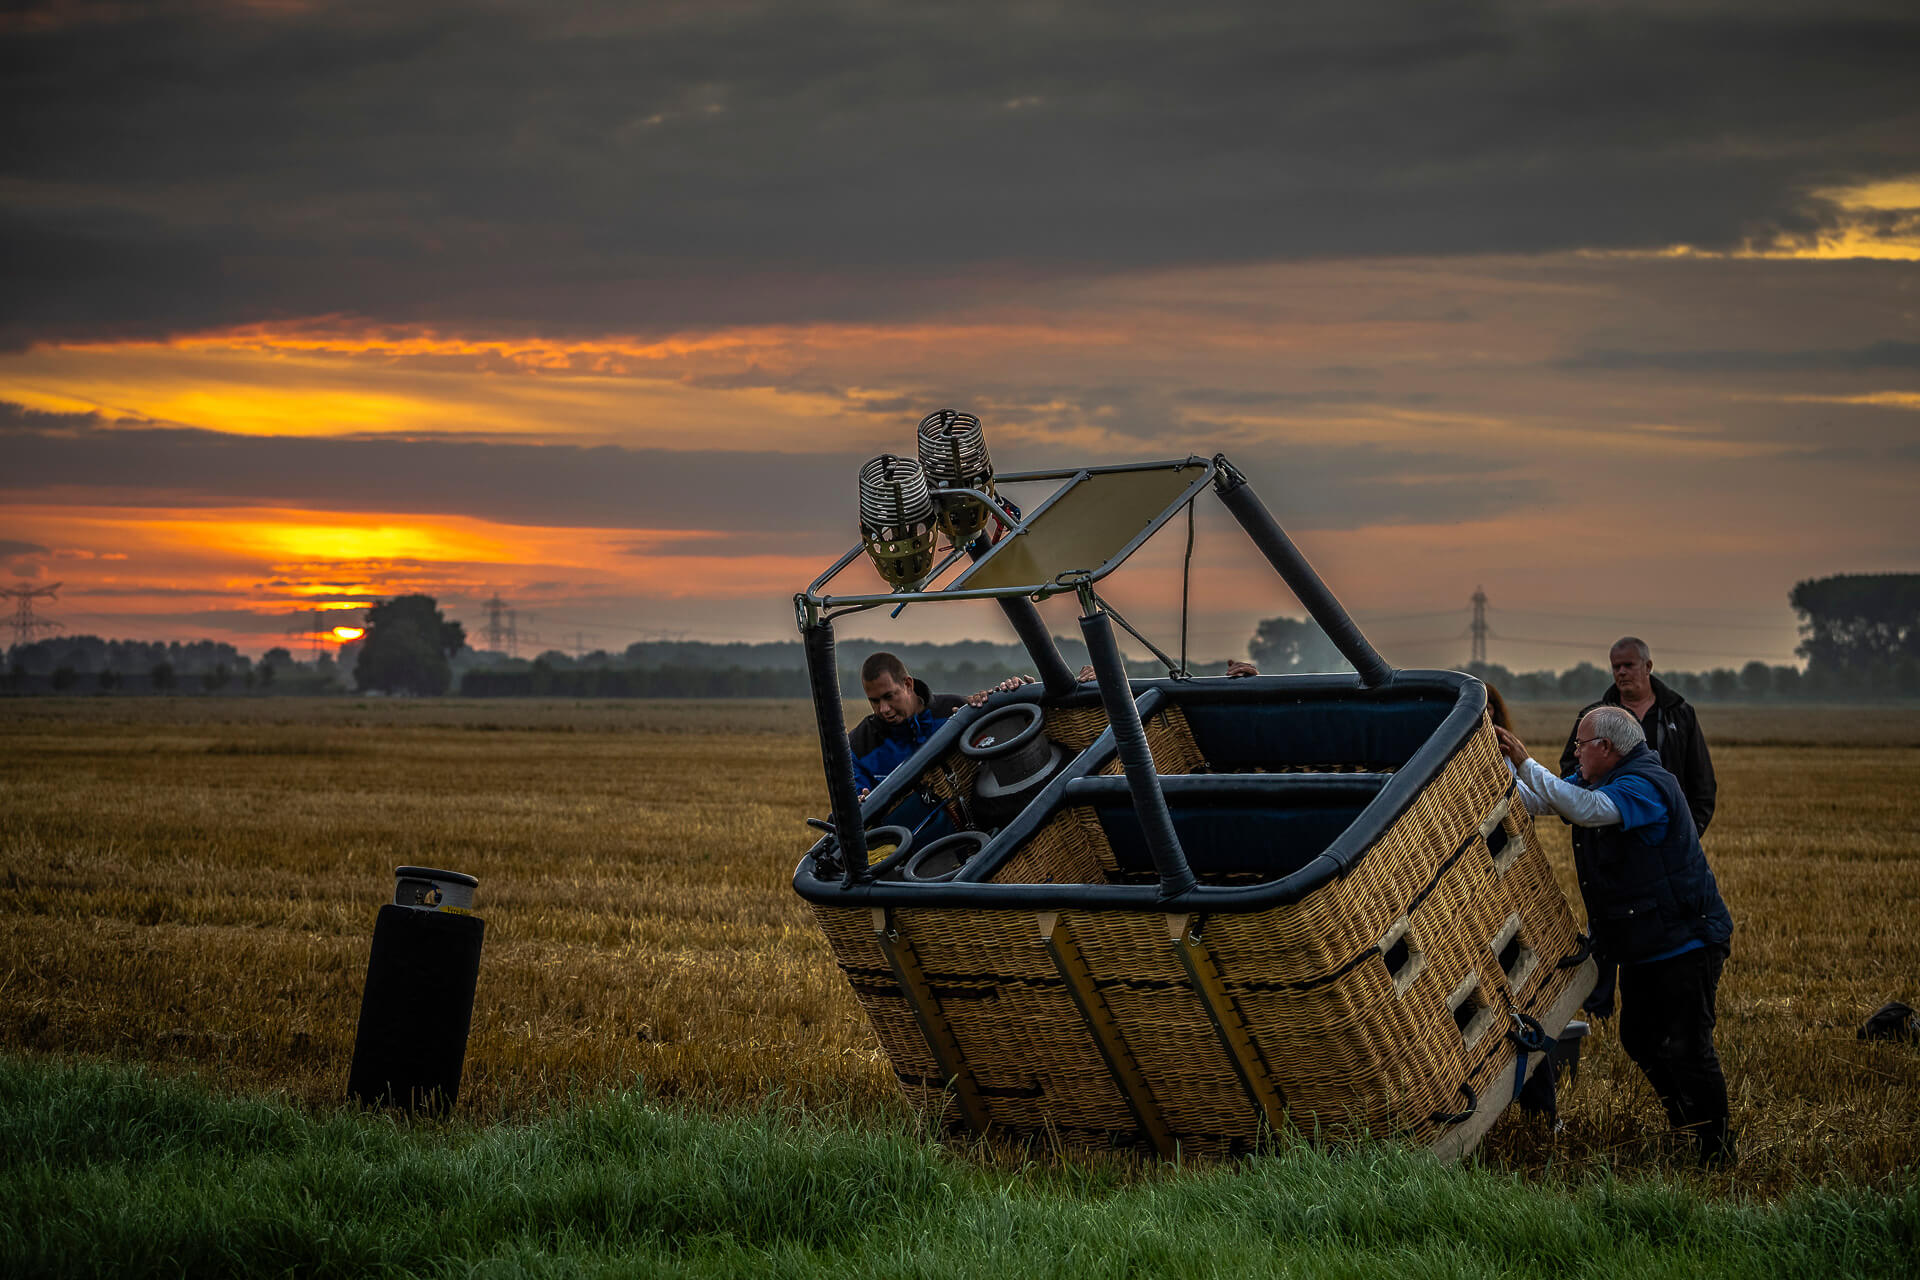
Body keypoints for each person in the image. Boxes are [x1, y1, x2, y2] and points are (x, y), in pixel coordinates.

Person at [1496, 706, 1735, 1165]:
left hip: (1686, 939)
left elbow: (1584, 810)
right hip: (1648, 943)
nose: (1575, 751)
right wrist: (1494, 777)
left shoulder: (1644, 783)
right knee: (1639, 1037)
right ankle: (1687, 1124)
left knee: (1689, 1046)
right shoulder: (1606, 778)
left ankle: (1717, 1151)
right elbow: (1548, 799)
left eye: (1581, 744)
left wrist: (1526, 762)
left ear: (1607, 748)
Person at [1560, 637, 1717, 1016]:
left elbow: (1701, 782)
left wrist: (1684, 835)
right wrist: (1577, 807)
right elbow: (1571, 773)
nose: (1621, 672)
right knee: (1607, 921)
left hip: (1659, 844)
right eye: (1615, 666)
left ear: (1648, 666)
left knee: (1657, 927)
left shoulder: (1678, 714)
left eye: (1629, 665)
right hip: (1607, 844)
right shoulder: (1594, 717)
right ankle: (1597, 1007)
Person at [850, 652, 1026, 797]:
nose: (883, 709)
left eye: (889, 696)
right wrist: (859, 802)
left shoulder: (958, 711)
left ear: (908, 684)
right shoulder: (859, 746)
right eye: (874, 701)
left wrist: (1018, 693)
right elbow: (851, 811)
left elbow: (1012, 740)